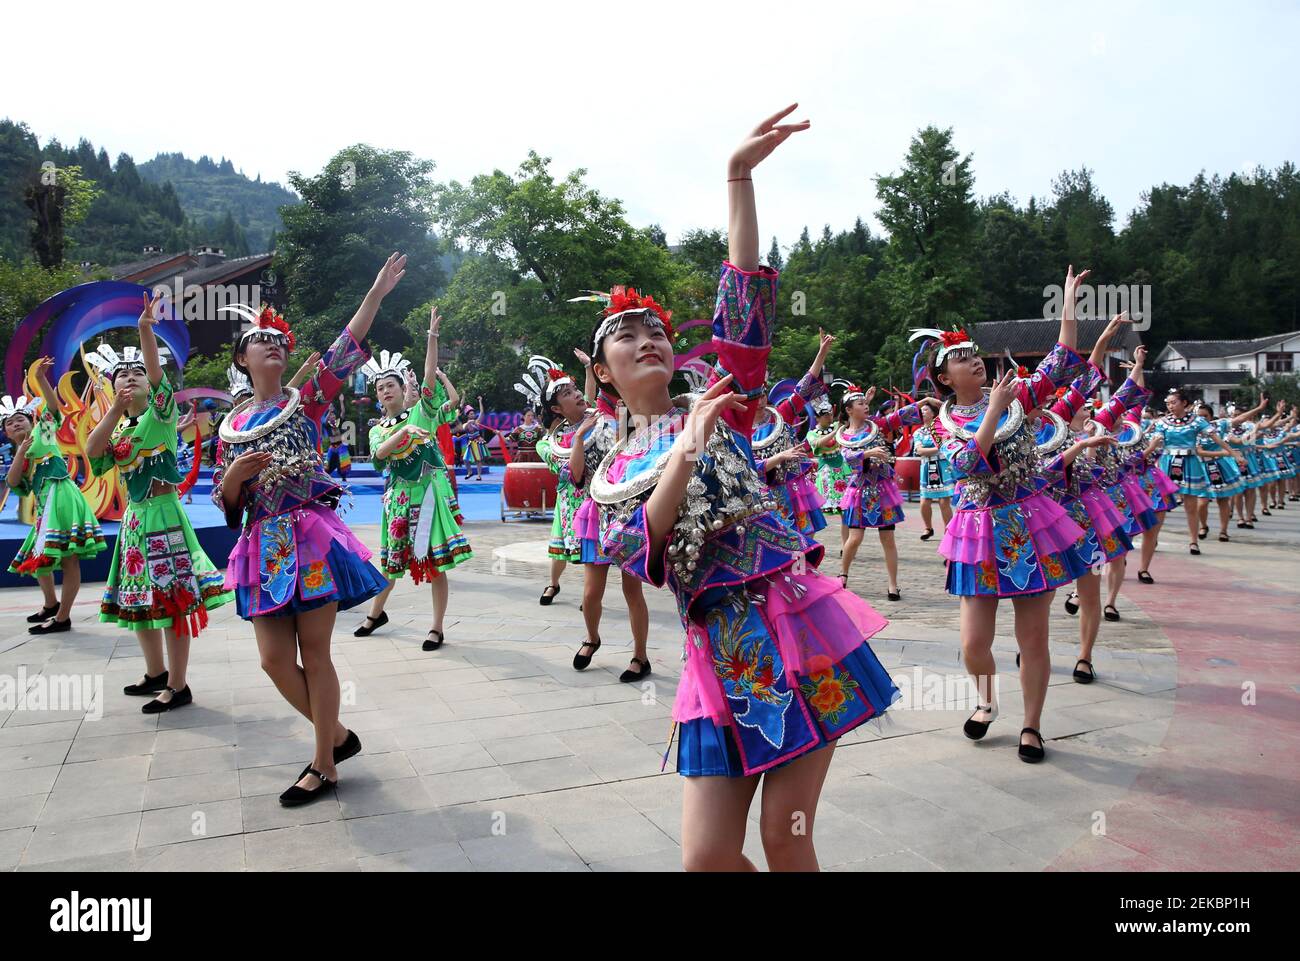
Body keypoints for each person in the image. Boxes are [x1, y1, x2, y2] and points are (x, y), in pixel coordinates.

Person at [588, 106, 901, 871]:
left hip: (795, 626)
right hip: (716, 651)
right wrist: (687, 445)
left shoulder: (724, 397)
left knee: (784, 839)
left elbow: (743, 297)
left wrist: (739, 176)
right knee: (705, 858)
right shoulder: (613, 473)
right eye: (625, 335)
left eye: (654, 329)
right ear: (603, 372)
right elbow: (643, 549)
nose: (647, 338)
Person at [213, 255, 404, 807]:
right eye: (260, 339)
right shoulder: (231, 426)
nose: (272, 343)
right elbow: (227, 505)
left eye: (278, 338)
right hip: (261, 542)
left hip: (311, 536)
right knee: (274, 661)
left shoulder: (308, 401)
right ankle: (339, 737)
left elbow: (347, 344)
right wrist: (231, 477)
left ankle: (323, 764)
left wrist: (375, 292)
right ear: (242, 358)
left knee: (315, 654)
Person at [915, 264, 1094, 764]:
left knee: (1032, 636)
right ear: (944, 377)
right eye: (963, 361)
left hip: (1029, 524)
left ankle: (1032, 726)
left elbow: (1061, 362)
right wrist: (992, 410)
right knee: (974, 642)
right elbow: (966, 463)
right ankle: (987, 700)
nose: (976, 364)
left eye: (977, 358)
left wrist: (1068, 303)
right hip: (977, 530)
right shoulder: (944, 423)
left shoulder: (1018, 399)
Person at [86, 294, 234, 712]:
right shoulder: (116, 430)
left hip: (165, 515)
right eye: (121, 375)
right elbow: (92, 449)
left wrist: (145, 331)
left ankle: (178, 683)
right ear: (111, 387)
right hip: (136, 521)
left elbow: (154, 371)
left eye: (136, 374)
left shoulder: (161, 415)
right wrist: (113, 409)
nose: (130, 378)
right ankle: (154, 672)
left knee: (171, 601)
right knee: (139, 598)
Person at [355, 307, 473, 648]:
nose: (385, 390)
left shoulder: (421, 410)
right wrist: (405, 431)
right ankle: (376, 613)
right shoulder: (379, 429)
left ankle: (436, 627)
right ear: (377, 396)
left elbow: (429, 380)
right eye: (379, 388)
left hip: (428, 496)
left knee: (434, 562)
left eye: (390, 385)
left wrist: (432, 338)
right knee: (391, 562)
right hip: (399, 499)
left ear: (400, 387)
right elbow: (379, 454)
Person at [4, 363, 107, 632]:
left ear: (31, 421)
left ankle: (62, 616)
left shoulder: (43, 432)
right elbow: (14, 483)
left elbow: (52, 406)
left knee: (67, 557)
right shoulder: (21, 455)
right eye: (10, 423)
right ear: (7, 433)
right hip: (44, 506)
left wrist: (40, 378)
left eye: (20, 419)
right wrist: (20, 453)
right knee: (41, 556)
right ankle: (50, 604)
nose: (16, 424)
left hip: (60, 497)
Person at [835, 382, 933, 601]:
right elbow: (847, 459)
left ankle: (893, 584)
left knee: (888, 538)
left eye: (865, 403)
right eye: (860, 404)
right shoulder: (843, 435)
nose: (866, 406)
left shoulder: (876, 425)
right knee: (855, 537)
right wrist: (869, 453)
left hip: (882, 490)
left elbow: (897, 417)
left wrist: (923, 402)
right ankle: (843, 573)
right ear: (849, 410)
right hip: (859, 491)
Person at [517, 354, 589, 605]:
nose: (576, 394)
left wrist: (590, 367)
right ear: (555, 410)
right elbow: (569, 470)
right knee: (561, 548)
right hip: (569, 498)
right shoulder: (547, 444)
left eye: (574, 389)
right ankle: (553, 583)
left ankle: (591, 594)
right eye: (567, 393)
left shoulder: (592, 423)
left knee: (592, 548)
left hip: (592, 496)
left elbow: (589, 400)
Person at [1148, 389, 1246, 554]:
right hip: (1167, 463)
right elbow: (1155, 443)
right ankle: (1153, 538)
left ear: (1184, 403)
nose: (1170, 406)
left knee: (1190, 506)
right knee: (1160, 506)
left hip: (1190, 463)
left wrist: (1234, 453)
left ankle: (1193, 542)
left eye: (1174, 403)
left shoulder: (1197, 421)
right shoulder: (1162, 422)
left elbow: (1217, 439)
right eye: (1168, 403)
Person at [910, 401, 954, 540]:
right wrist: (938, 449)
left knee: (943, 501)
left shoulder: (942, 428)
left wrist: (932, 451)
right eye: (921, 410)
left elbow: (948, 444)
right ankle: (928, 528)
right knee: (925, 500)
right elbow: (919, 450)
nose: (922, 412)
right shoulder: (918, 432)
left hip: (942, 466)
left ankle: (949, 530)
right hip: (927, 467)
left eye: (925, 410)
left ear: (933, 413)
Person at [806, 398, 850, 514]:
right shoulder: (812, 434)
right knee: (821, 509)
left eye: (830, 415)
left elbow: (849, 416)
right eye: (825, 416)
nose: (829, 418)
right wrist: (835, 432)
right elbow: (817, 443)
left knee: (845, 510)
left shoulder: (836, 425)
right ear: (817, 418)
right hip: (825, 470)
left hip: (841, 468)